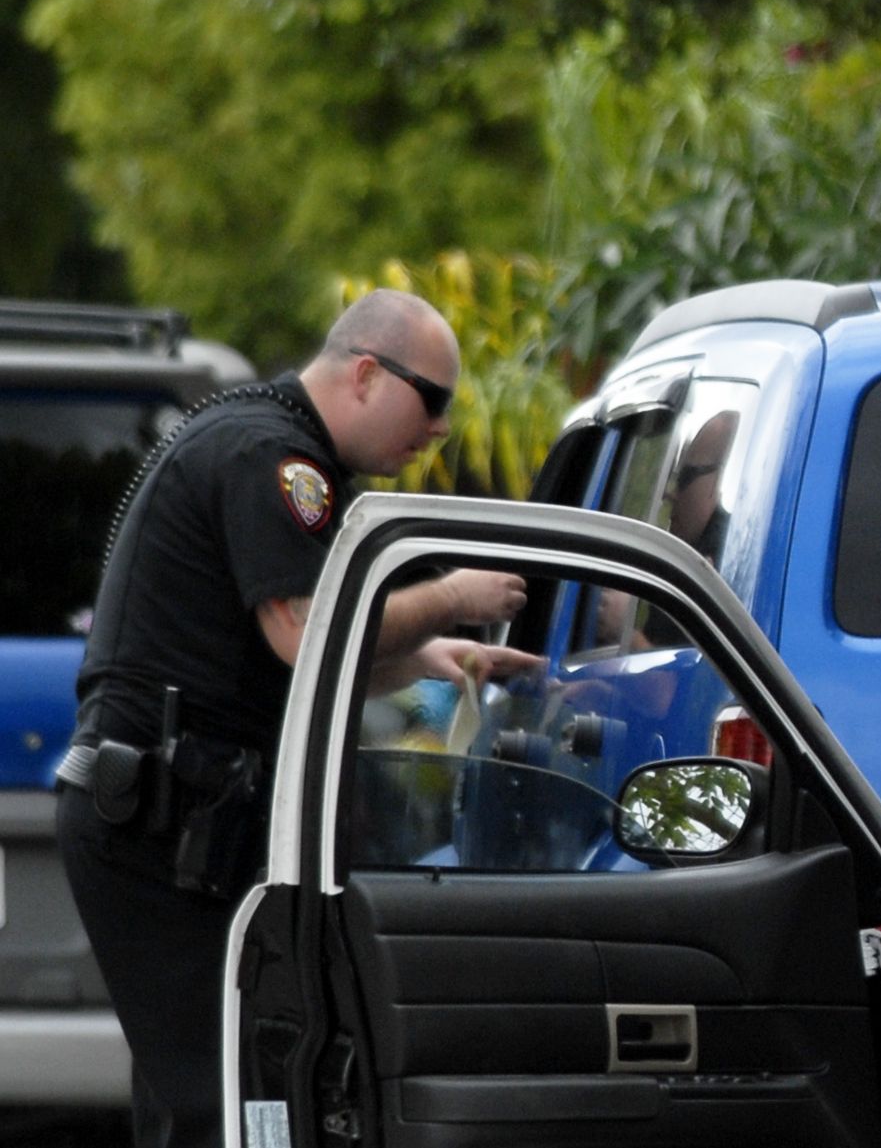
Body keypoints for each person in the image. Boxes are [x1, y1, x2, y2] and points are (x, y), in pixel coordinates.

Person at [54, 288, 534, 1148]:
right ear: (365, 373)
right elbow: (303, 630)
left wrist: (426, 659)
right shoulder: (274, 457)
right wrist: (452, 595)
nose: (439, 432)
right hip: (162, 822)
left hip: (170, 814)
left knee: (198, 1095)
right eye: (433, 401)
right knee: (226, 1096)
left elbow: (297, 654)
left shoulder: (266, 441)